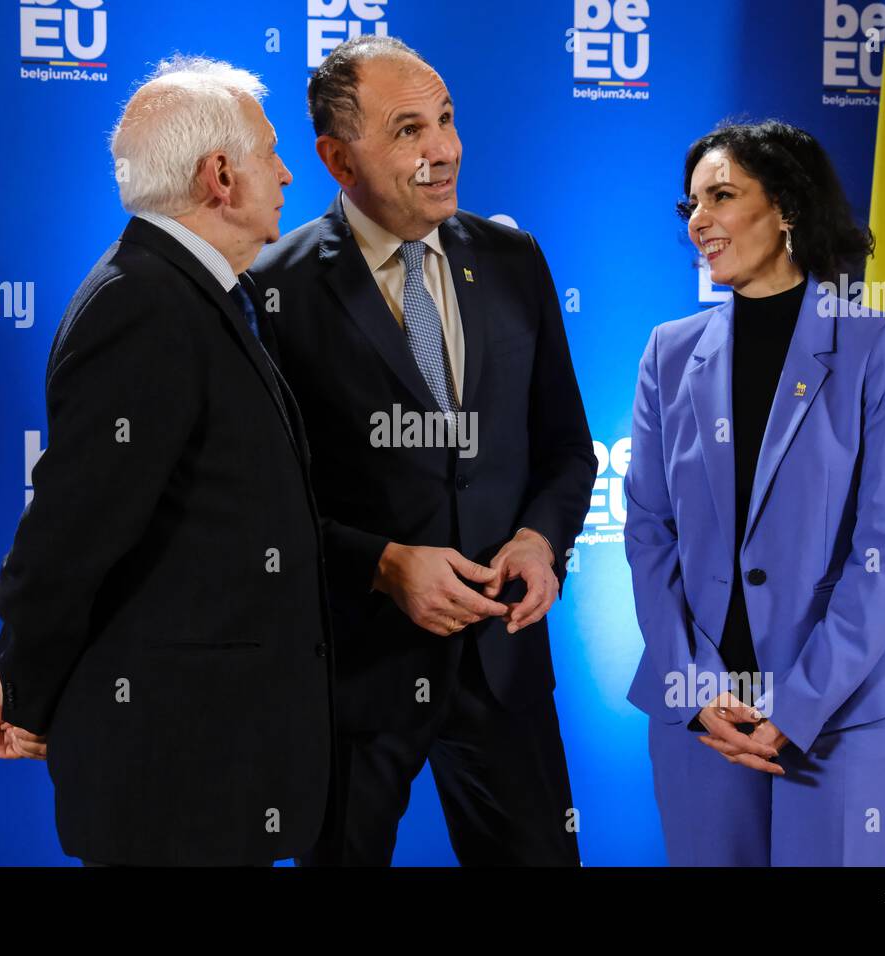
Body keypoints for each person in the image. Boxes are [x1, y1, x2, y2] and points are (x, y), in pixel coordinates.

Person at [0, 56, 332, 867]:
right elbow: (71, 533)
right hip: (174, 781)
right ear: (219, 176)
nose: (284, 173)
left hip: (213, 772)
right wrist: (27, 692)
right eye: (270, 154)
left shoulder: (193, 293)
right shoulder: (143, 304)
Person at [249, 36, 595, 867]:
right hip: (351, 675)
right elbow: (262, 503)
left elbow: (568, 451)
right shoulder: (274, 287)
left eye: (445, 120)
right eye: (408, 130)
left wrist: (540, 541)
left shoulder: (516, 262)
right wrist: (382, 563)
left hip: (502, 663)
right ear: (338, 158)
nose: (443, 150)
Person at [624, 120, 885, 866]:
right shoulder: (669, 353)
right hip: (704, 722)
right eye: (690, 204)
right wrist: (693, 686)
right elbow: (648, 533)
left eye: (721, 196)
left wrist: (797, 706)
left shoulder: (874, 345)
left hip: (843, 719)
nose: (698, 219)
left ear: (787, 207)